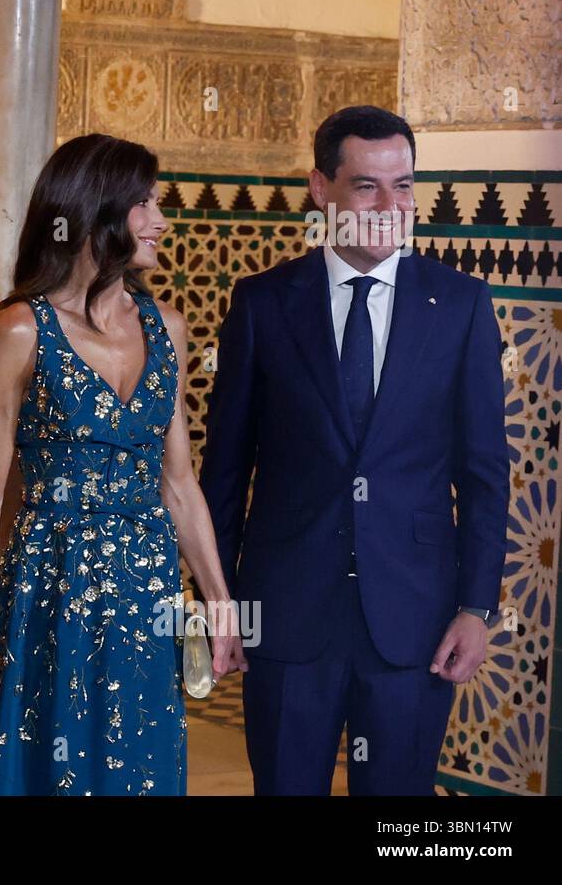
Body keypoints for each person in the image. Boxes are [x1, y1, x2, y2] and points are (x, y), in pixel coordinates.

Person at [199, 105, 509, 795]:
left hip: (416, 624)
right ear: (321, 187)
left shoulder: (460, 305)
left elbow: (486, 473)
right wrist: (217, 602)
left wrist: (476, 607)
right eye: (367, 185)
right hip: (284, 616)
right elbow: (223, 470)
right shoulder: (262, 304)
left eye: (403, 186)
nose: (390, 205)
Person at [0, 134, 243, 795]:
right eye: (144, 203)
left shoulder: (165, 327)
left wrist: (221, 601)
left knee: (140, 767)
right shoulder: (19, 332)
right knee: (51, 771)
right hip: (48, 585)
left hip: (146, 587)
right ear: (95, 212)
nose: (161, 219)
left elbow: (178, 482)